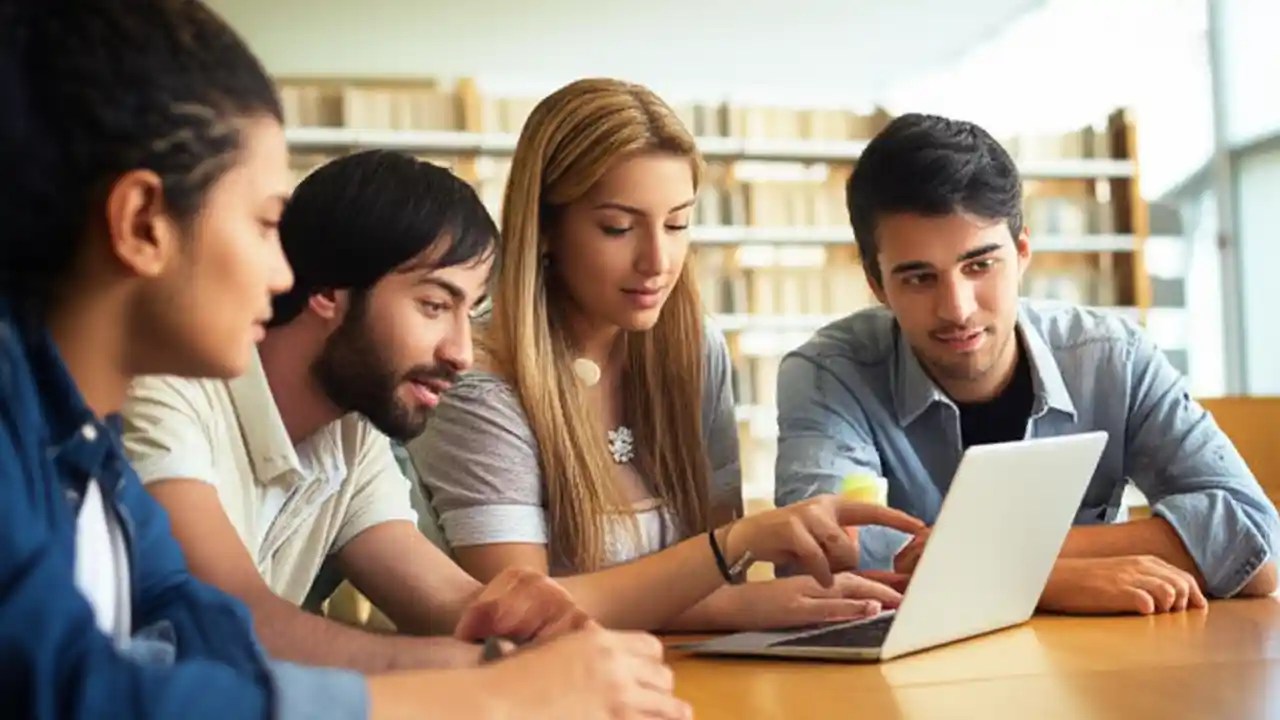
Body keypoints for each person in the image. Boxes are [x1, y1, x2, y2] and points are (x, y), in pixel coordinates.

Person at [0, 2, 690, 718]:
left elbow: (201, 622)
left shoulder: (86, 441)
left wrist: (514, 656)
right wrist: (486, 694)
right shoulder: (90, 413)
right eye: (267, 224)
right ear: (143, 223)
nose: (281, 275)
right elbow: (77, 687)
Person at [408, 77, 914, 631]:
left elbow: (726, 570)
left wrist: (766, 583)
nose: (657, 259)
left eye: (677, 224)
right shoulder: (476, 381)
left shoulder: (693, 349)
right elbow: (518, 614)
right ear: (546, 227)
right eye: (618, 227)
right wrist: (742, 600)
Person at [773, 112, 1280, 615]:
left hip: (1099, 670)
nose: (958, 308)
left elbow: (1257, 543)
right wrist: (1052, 582)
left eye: (980, 265)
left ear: (1022, 254)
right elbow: (823, 572)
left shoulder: (1113, 358)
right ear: (877, 283)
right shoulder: (828, 374)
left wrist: (1007, 558)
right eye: (919, 278)